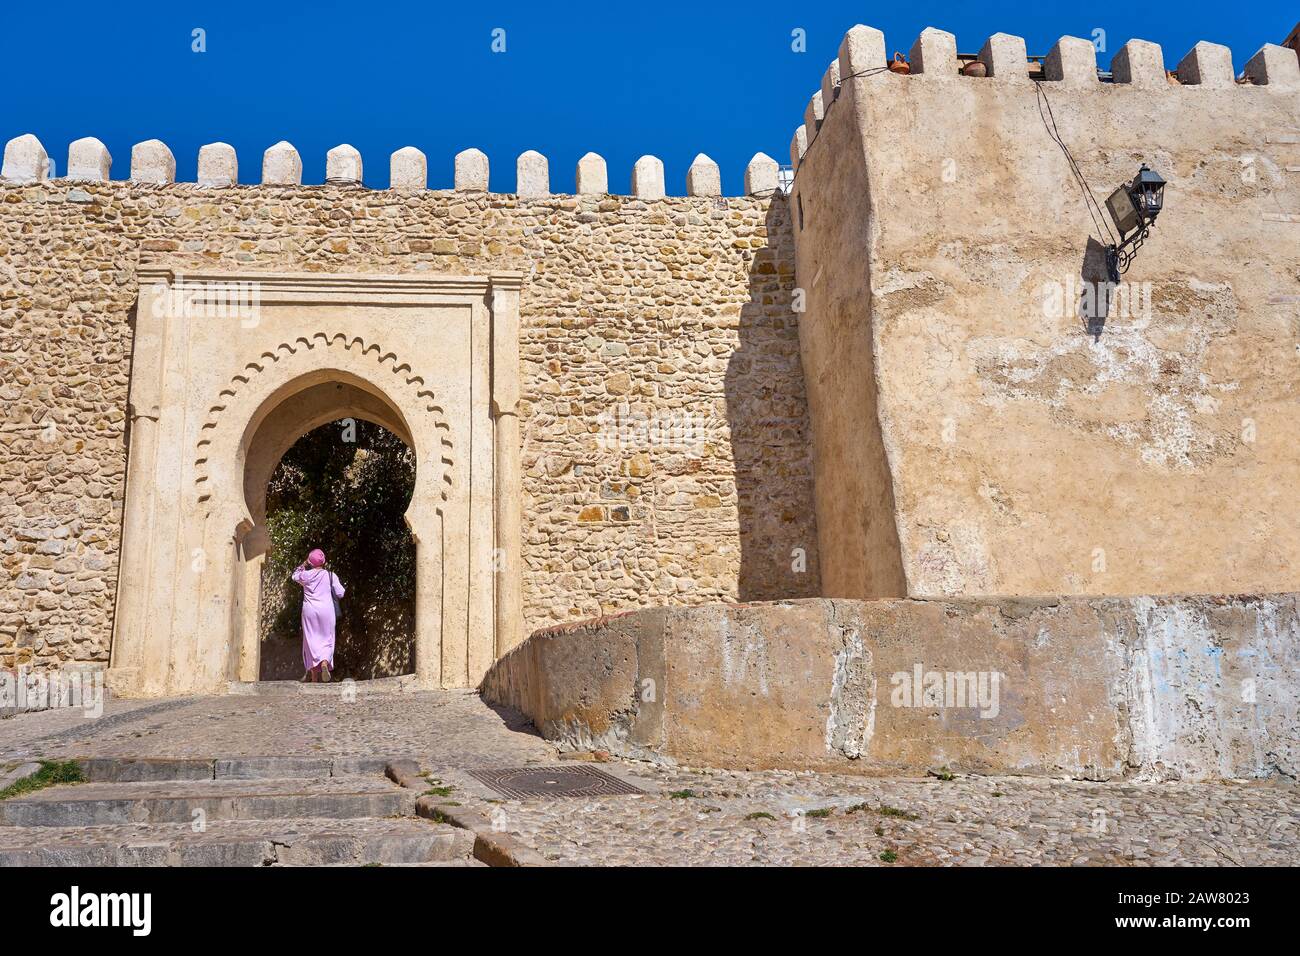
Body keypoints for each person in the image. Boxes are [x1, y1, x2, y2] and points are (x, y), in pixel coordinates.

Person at [291, 548, 345, 683]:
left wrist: (303, 564)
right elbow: (340, 593)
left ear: (310, 562)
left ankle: (314, 677)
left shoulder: (306, 575)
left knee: (311, 641)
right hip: (326, 611)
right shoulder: (331, 575)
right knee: (327, 639)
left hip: (309, 611)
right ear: (324, 561)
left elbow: (294, 576)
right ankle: (325, 663)